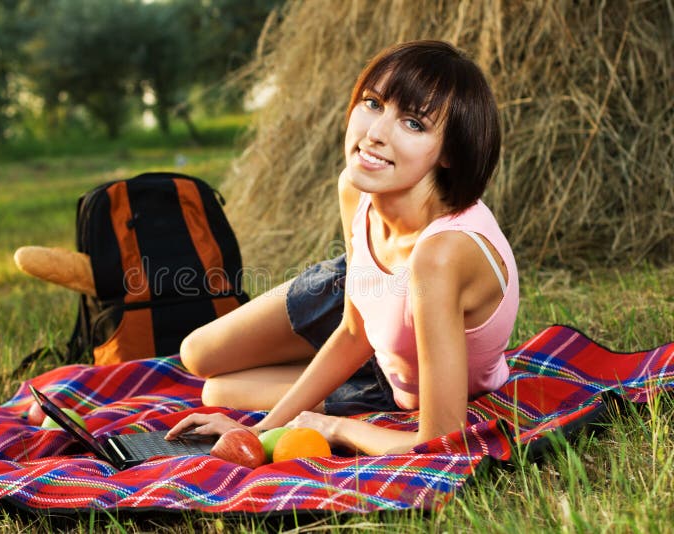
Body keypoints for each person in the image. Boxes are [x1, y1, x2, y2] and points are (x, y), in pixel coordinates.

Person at [166, 40, 519, 456]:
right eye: (373, 103)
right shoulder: (356, 189)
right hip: (373, 297)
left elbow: (441, 442)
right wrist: (258, 431)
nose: (375, 134)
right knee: (196, 354)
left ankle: (346, 363)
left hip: (406, 349)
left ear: (450, 153)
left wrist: (335, 428)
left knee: (220, 390)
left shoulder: (442, 255)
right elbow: (354, 330)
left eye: (413, 124)